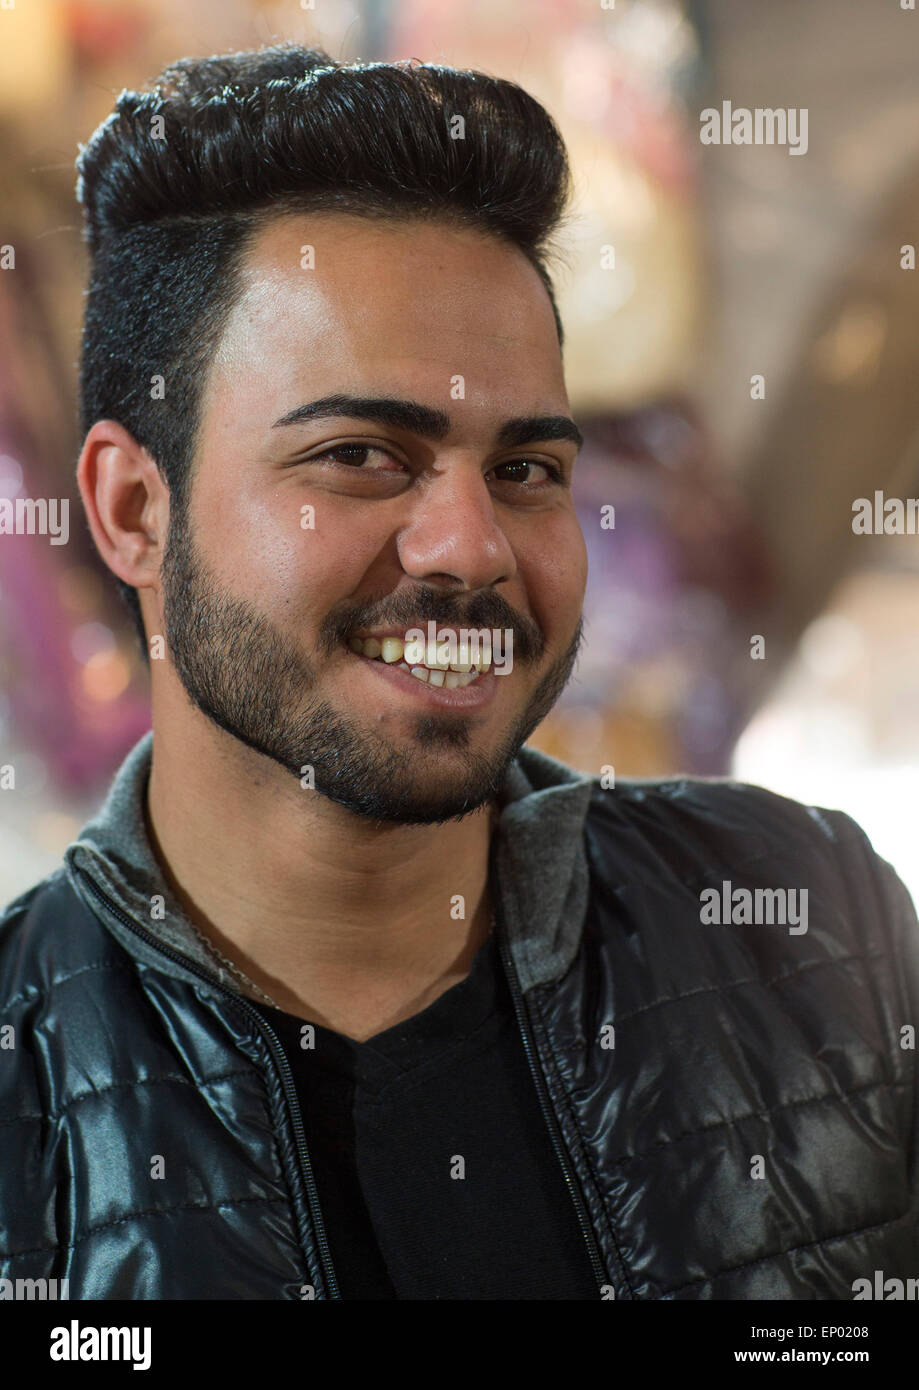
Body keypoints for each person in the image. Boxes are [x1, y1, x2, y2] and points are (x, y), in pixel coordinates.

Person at [0, 42, 916, 1302]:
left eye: (526, 469)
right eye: (363, 454)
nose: (473, 547)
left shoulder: (811, 924)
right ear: (130, 509)